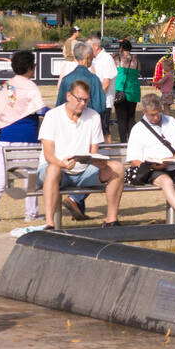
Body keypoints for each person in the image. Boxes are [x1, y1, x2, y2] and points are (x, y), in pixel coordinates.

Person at [36, 80, 124, 229]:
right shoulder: (52, 116)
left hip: (84, 170)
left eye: (86, 100)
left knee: (117, 167)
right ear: (69, 96)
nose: (83, 104)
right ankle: (50, 223)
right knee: (53, 169)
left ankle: (111, 220)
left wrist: (98, 162)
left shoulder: (93, 116)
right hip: (58, 169)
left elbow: (93, 152)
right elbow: (48, 154)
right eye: (80, 99)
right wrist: (62, 164)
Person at [0, 50, 45, 223]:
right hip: (26, 136)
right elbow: (39, 109)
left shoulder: (7, 85)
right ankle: (30, 213)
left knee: (1, 174)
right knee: (30, 174)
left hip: (6, 136)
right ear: (29, 67)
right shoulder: (30, 86)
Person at [127, 94, 175, 224]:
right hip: (152, 169)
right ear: (143, 111)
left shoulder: (171, 121)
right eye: (152, 115)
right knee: (166, 182)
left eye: (159, 113)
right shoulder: (137, 129)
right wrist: (153, 165)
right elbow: (134, 160)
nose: (156, 117)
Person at [56, 42, 109, 220]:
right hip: (89, 129)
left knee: (78, 165)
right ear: (87, 58)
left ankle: (78, 210)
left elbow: (58, 107)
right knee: (93, 166)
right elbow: (101, 107)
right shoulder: (93, 79)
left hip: (67, 130)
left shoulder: (66, 79)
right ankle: (75, 199)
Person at [87, 34, 117, 141]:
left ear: (95, 46)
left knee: (104, 127)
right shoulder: (93, 59)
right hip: (95, 99)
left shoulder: (107, 58)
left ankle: (108, 150)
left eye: (88, 46)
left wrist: (98, 97)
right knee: (95, 127)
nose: (87, 49)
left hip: (104, 100)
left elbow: (106, 81)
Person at [114, 39, 141, 143]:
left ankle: (123, 142)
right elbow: (139, 72)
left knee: (121, 119)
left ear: (121, 48)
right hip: (133, 91)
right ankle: (132, 141)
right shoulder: (136, 60)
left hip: (120, 92)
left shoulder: (118, 59)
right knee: (131, 118)